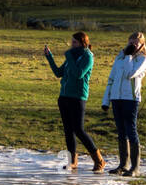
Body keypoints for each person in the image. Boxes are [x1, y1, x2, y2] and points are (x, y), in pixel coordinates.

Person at [44, 32, 105, 171]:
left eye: (75, 42)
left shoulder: (87, 56)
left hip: (78, 97)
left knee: (79, 129)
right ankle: (72, 161)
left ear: (82, 43)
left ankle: (99, 160)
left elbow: (79, 74)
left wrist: (69, 57)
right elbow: (59, 73)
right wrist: (49, 57)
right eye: (71, 42)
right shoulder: (71, 55)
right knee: (68, 130)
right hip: (64, 96)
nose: (72, 45)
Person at [100, 32, 146, 176]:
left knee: (131, 130)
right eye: (130, 43)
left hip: (131, 99)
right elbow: (111, 78)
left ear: (141, 45)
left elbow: (130, 74)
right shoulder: (120, 57)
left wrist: (129, 55)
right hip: (117, 98)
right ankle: (123, 164)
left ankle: (135, 167)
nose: (132, 46)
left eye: (135, 44)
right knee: (121, 132)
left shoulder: (142, 59)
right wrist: (106, 100)